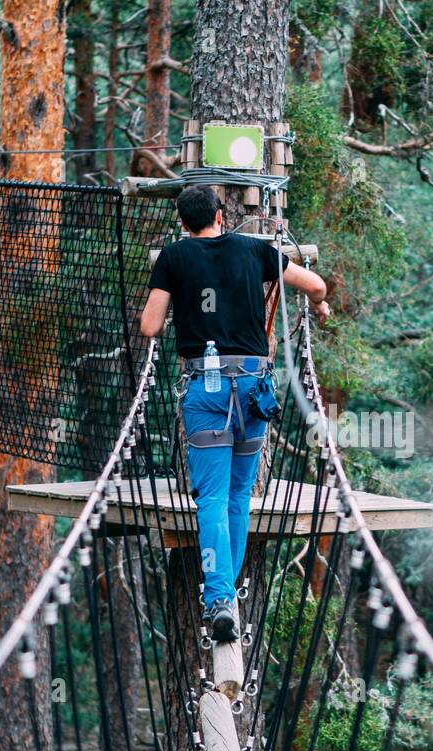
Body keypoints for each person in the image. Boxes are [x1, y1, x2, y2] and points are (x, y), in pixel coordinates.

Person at [139, 184, 330, 642]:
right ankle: (228, 590)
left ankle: (219, 598)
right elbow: (316, 285)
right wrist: (318, 302)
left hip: (206, 390)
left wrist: (179, 299)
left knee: (210, 497)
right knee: (238, 495)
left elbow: (149, 326)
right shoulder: (255, 249)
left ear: (183, 223)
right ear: (220, 217)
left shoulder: (173, 257)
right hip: (253, 388)